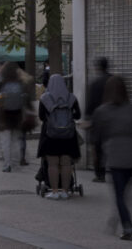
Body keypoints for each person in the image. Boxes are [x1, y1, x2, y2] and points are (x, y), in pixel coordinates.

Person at [92, 75, 132, 241]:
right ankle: (117, 219)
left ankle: (127, 226)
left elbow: (96, 137)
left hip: (115, 155)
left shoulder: (102, 111)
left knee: (119, 195)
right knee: (125, 193)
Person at [38, 72, 82, 200]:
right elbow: (78, 115)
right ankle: (65, 191)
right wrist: (66, 118)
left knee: (53, 163)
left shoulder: (44, 98)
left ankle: (55, 191)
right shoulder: (71, 98)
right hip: (68, 135)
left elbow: (41, 117)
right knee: (66, 163)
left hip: (51, 135)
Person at [86, 57, 113, 184]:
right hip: (113, 119)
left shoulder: (95, 83)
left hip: (97, 121)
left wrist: (88, 118)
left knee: (97, 149)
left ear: (98, 68)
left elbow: (90, 104)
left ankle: (100, 174)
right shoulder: (114, 81)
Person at [0, 62, 26, 173]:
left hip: (4, 117)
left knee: (5, 142)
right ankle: (16, 162)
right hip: (17, 116)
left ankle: (7, 164)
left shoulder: (1, 83)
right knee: (16, 141)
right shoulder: (20, 83)